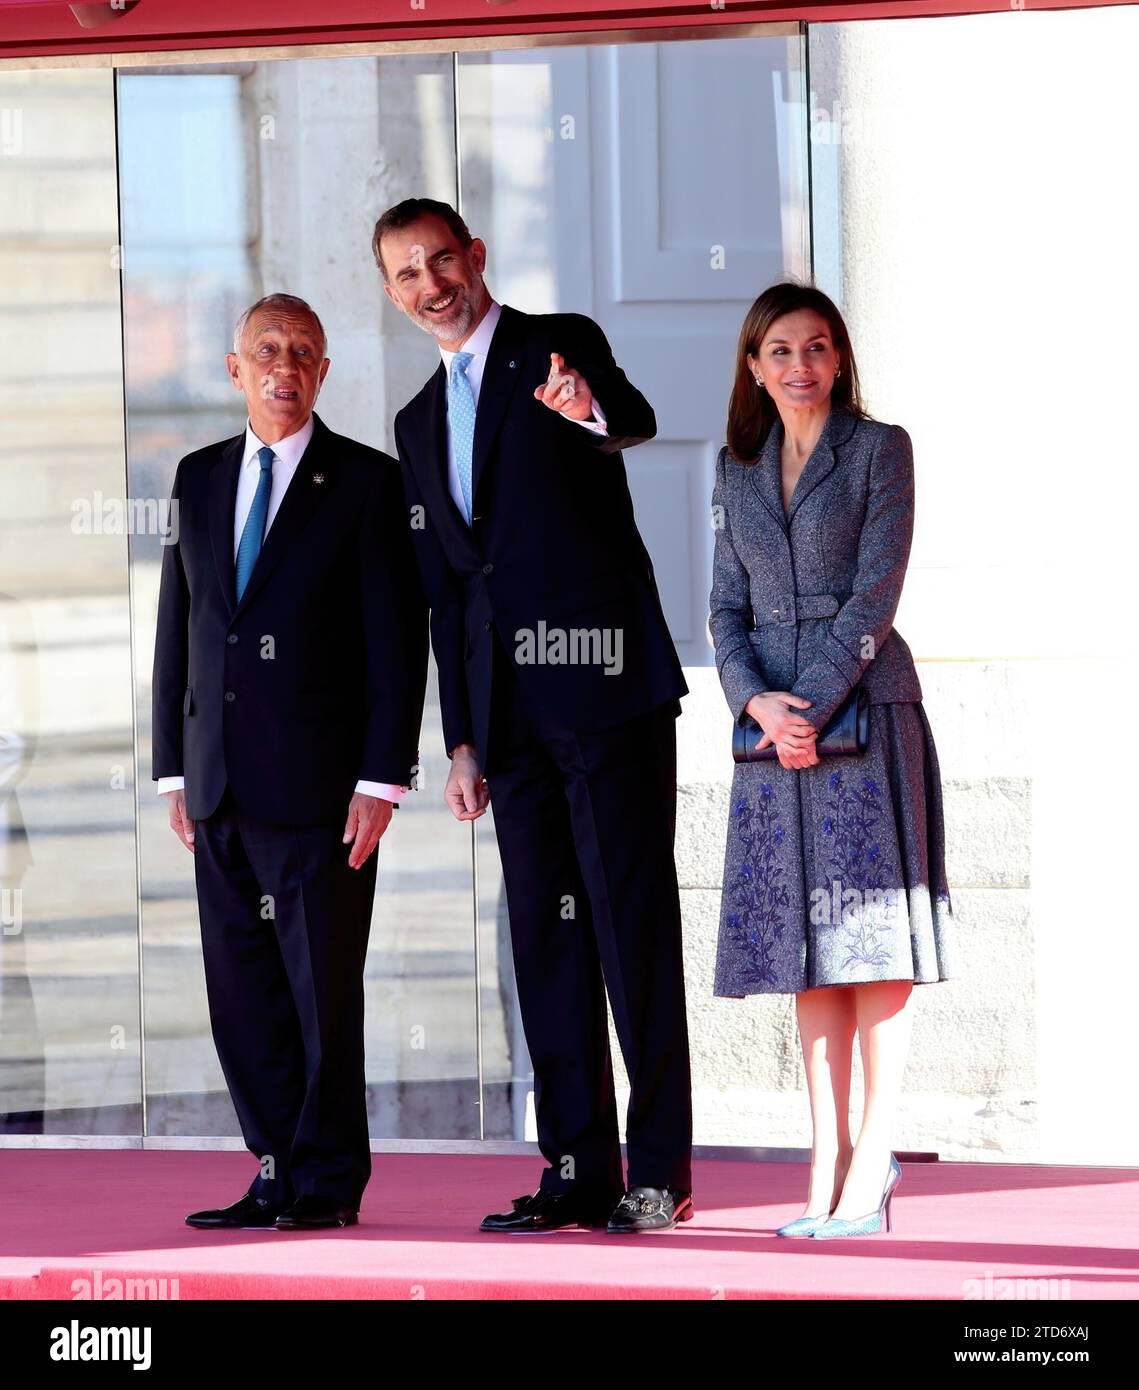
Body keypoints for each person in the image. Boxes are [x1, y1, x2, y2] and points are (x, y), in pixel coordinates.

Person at [374, 197, 693, 1234]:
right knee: (544, 941)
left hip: (604, 690)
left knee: (628, 927)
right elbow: (444, 590)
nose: (429, 285)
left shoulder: (559, 346)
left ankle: (658, 1172)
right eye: (405, 274)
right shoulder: (415, 422)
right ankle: (574, 1167)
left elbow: (630, 422)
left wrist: (585, 409)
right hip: (506, 722)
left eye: (440, 261)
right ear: (391, 293)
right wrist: (458, 738)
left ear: (474, 256)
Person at [152, 293, 428, 1230]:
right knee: (243, 999)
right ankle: (270, 1168)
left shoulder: (365, 484)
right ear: (235, 369)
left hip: (322, 796)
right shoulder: (195, 479)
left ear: (321, 374)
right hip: (219, 789)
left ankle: (325, 1183)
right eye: (267, 349)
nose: (285, 365)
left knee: (320, 998)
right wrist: (172, 769)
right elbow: (178, 636)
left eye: (304, 353)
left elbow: (398, 642)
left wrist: (381, 779)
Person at [708, 281, 953, 1238]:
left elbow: (873, 594)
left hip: (864, 711)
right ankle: (828, 1158)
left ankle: (876, 1147)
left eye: (815, 347)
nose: (798, 365)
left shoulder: (879, 449)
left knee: (868, 937)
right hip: (773, 729)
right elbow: (723, 607)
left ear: (837, 357)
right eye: (779, 350)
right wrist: (753, 701)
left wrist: (804, 701)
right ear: (753, 366)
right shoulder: (732, 467)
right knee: (805, 949)